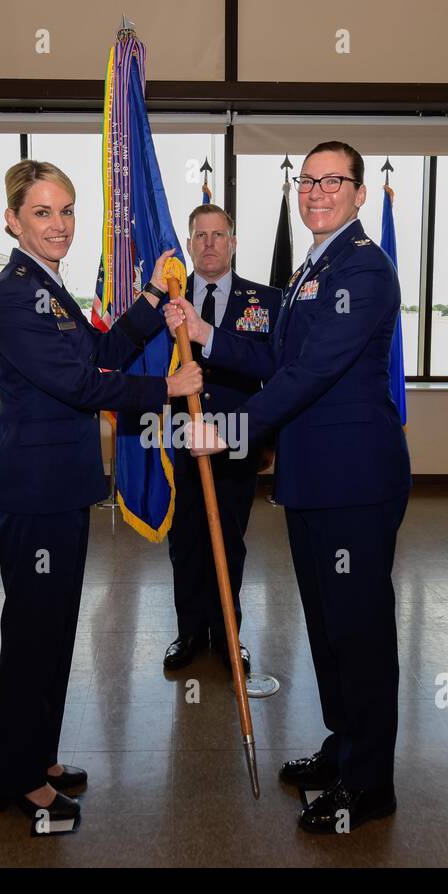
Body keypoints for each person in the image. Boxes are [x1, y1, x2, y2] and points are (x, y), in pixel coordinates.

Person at [166, 141, 411, 833]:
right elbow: (278, 353)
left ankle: (369, 784)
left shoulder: (363, 268)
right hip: (312, 480)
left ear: (361, 193)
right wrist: (207, 332)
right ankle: (344, 746)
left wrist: (231, 428)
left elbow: (308, 376)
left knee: (359, 634)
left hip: (353, 484)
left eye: (333, 180)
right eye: (308, 180)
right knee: (330, 630)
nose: (316, 190)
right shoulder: (314, 267)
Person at [0, 159, 201, 830]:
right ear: (13, 220)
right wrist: (167, 388)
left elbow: (98, 352)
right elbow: (82, 387)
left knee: (53, 632)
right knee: (32, 636)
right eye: (43, 212)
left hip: (62, 488)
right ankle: (16, 779)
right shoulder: (16, 295)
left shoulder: (48, 288)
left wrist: (149, 311)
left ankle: (38, 756)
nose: (60, 224)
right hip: (36, 493)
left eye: (68, 210)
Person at [162, 203, 282, 676]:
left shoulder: (265, 300)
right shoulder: (165, 300)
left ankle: (228, 631)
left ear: (232, 243)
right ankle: (190, 630)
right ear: (190, 245)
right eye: (200, 235)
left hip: (236, 436)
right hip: (180, 436)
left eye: (219, 234)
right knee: (185, 538)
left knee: (229, 538)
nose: (209, 243)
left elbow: (274, 368)